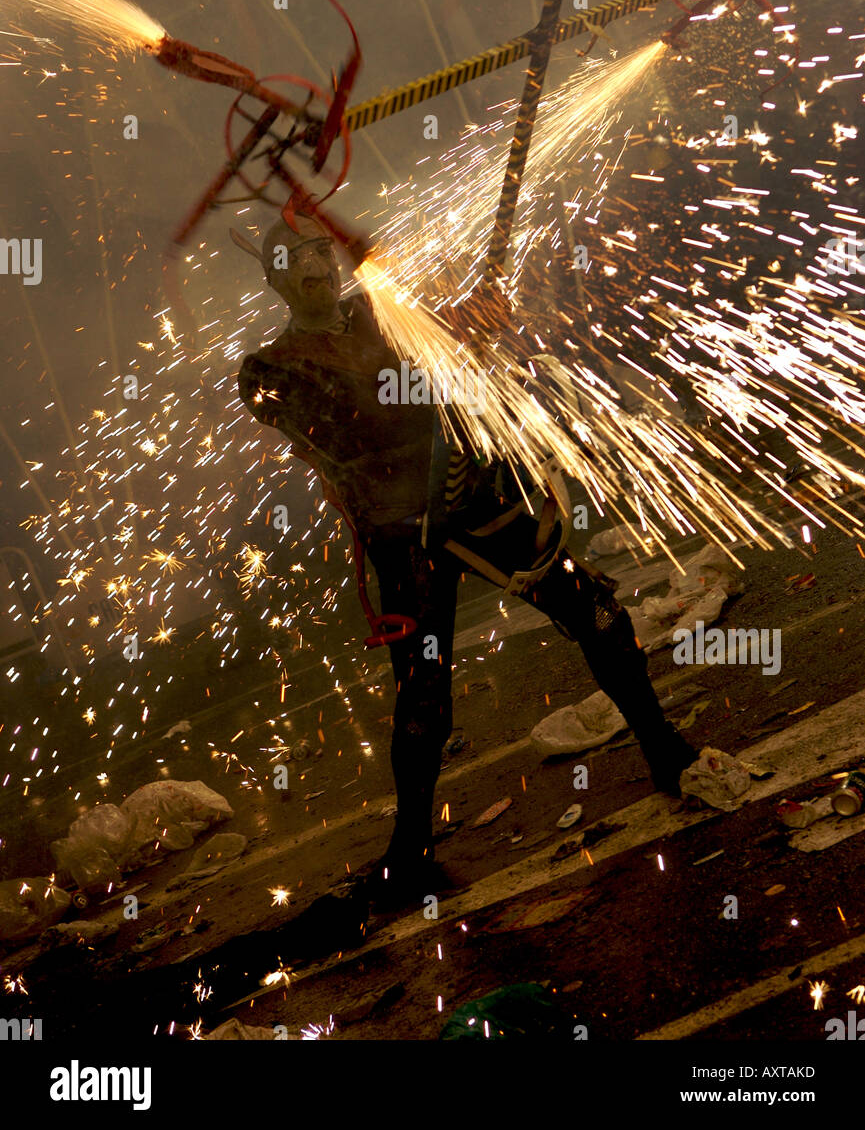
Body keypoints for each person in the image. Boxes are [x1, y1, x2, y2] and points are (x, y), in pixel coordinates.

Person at [236, 211, 699, 905]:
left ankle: (662, 747)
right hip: (405, 534)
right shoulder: (270, 370)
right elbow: (358, 424)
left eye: (319, 251)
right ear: (277, 280)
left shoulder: (380, 310)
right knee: (423, 695)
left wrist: (473, 323)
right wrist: (436, 363)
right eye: (296, 259)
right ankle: (410, 844)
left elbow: (444, 346)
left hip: (472, 494)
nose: (316, 264)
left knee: (595, 612)